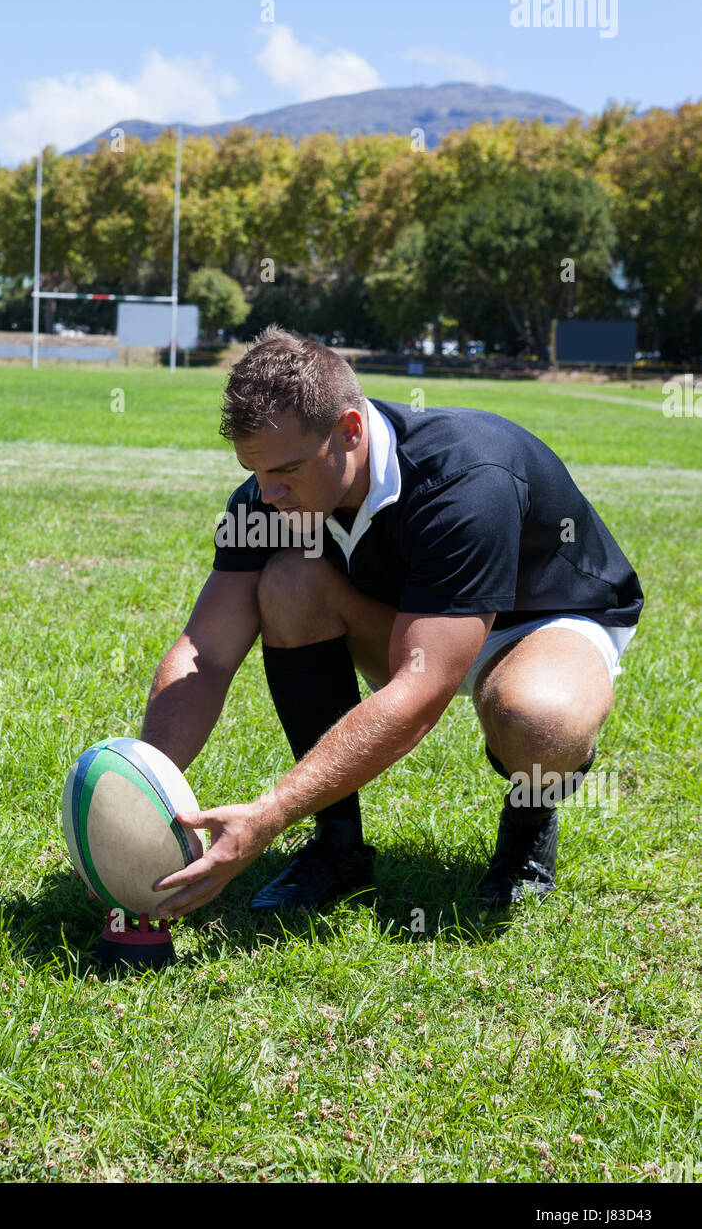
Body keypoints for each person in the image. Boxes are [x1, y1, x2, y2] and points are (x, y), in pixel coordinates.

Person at [136, 325, 643, 922]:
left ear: (350, 430)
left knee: (536, 718)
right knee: (290, 583)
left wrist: (270, 813)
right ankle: (338, 846)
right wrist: (142, 790)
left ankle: (529, 825)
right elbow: (206, 652)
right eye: (255, 471)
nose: (268, 495)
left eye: (288, 471)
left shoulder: (465, 479)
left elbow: (419, 693)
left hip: (541, 619)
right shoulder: (267, 499)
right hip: (414, 622)